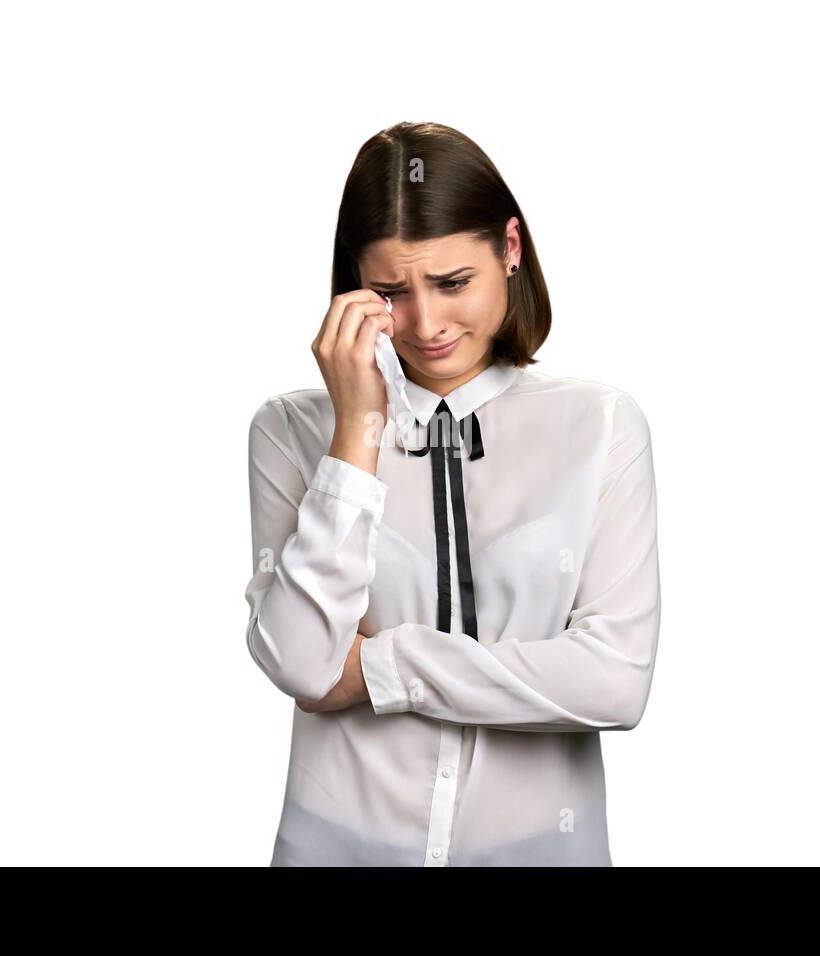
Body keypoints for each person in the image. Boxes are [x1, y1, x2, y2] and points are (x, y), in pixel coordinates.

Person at [243, 121, 661, 866]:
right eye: (391, 291)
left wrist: (379, 668)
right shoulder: (289, 429)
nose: (427, 323)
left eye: (452, 282)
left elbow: (614, 682)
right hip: (338, 848)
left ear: (510, 247)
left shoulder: (600, 426)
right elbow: (303, 665)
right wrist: (357, 431)